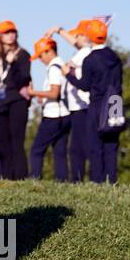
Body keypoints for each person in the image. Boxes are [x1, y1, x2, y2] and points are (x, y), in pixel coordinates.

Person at [63, 18, 123, 183]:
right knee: (111, 144)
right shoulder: (115, 57)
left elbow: (84, 85)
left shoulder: (90, 59)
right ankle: (112, 180)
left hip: (97, 104)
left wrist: (69, 74)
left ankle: (97, 180)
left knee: (96, 146)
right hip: (115, 102)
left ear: (89, 36)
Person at [49, 21, 98, 182]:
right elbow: (74, 42)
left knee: (79, 147)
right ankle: (80, 178)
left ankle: (79, 179)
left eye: (78, 34)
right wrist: (59, 30)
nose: (75, 37)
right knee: (78, 145)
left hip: (82, 106)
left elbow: (75, 47)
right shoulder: (84, 51)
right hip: (77, 106)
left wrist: (68, 69)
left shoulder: (86, 52)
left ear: (85, 36)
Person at [0, 21, 31, 180]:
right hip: (0, 105)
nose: (10, 35)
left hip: (17, 102)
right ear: (0, 36)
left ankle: (21, 179)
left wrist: (14, 63)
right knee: (2, 144)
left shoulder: (22, 54)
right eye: (6, 32)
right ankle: (7, 179)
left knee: (17, 143)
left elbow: (23, 80)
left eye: (12, 32)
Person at [25, 36, 71, 180]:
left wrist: (33, 92)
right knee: (59, 151)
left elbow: (54, 92)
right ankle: (62, 183)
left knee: (36, 150)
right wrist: (42, 97)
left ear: (49, 51)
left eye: (40, 56)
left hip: (53, 116)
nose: (40, 59)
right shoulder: (61, 65)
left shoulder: (53, 68)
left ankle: (34, 181)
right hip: (65, 114)